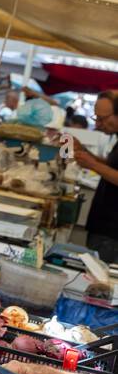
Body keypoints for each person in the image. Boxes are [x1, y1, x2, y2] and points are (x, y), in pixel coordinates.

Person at [72, 90, 118, 264]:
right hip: (103, 229)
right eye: (96, 118)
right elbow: (113, 167)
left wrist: (92, 164)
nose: (98, 124)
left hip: (112, 235)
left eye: (103, 118)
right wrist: (85, 152)